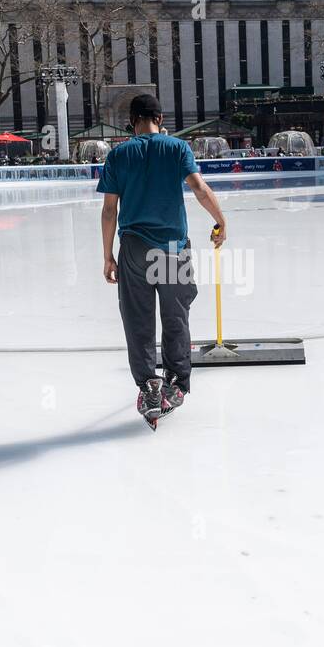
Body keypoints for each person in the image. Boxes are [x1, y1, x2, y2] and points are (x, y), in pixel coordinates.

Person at [99, 94, 226, 426]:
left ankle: (148, 382)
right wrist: (221, 221)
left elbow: (110, 209)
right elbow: (199, 189)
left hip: (134, 247)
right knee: (176, 316)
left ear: (133, 119)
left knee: (138, 320)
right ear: (160, 117)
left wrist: (107, 256)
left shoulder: (118, 154)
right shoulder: (177, 148)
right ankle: (177, 381)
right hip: (172, 246)